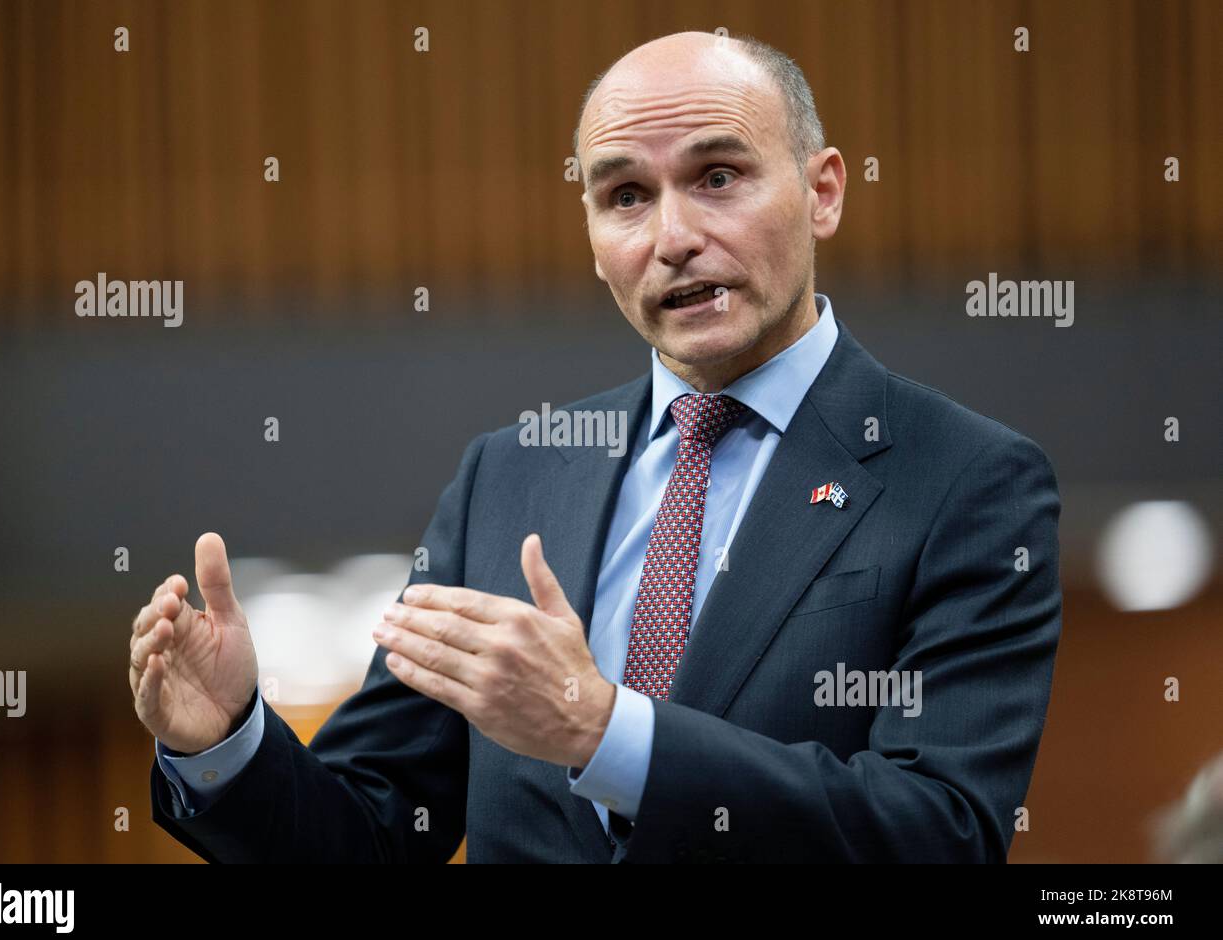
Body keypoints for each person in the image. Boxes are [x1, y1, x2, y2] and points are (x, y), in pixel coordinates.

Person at [130, 30, 1062, 863]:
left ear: (823, 193)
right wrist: (228, 743)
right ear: (590, 236)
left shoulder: (967, 479)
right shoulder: (513, 472)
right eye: (624, 196)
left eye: (719, 178)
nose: (674, 238)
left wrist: (606, 732)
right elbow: (372, 832)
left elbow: (943, 831)